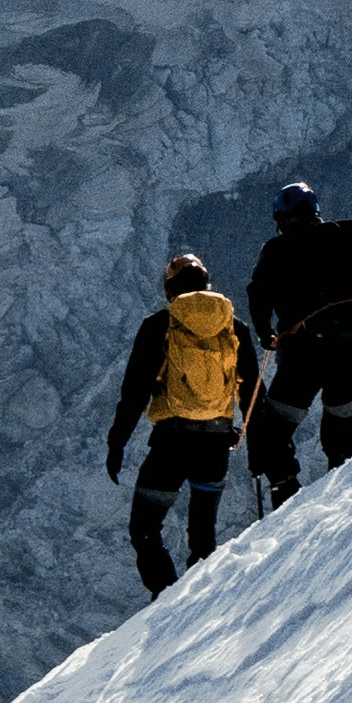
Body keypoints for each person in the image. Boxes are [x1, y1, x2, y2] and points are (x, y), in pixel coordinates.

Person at [106, 250, 258, 596]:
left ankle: (168, 600)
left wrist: (117, 442)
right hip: (217, 442)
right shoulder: (234, 327)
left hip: (171, 445)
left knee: (145, 530)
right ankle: (197, 608)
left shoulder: (159, 326)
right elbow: (251, 389)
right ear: (206, 283)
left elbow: (135, 392)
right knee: (202, 537)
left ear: (169, 289)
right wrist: (258, 442)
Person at [243, 180, 352, 504]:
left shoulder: (275, 251)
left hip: (302, 353)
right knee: (339, 421)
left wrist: (265, 335)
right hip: (347, 345)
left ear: (282, 218)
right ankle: (344, 486)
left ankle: (286, 491)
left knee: (276, 429)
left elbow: (257, 297)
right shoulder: (350, 233)